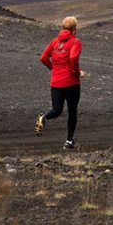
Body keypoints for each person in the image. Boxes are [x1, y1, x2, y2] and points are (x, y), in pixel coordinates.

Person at [34, 15, 86, 149]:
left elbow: (43, 58)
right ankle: (69, 141)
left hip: (56, 82)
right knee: (72, 111)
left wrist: (54, 68)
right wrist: (77, 72)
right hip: (71, 83)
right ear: (74, 28)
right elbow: (73, 58)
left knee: (56, 110)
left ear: (63, 27)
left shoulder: (54, 42)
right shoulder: (75, 42)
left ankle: (44, 118)